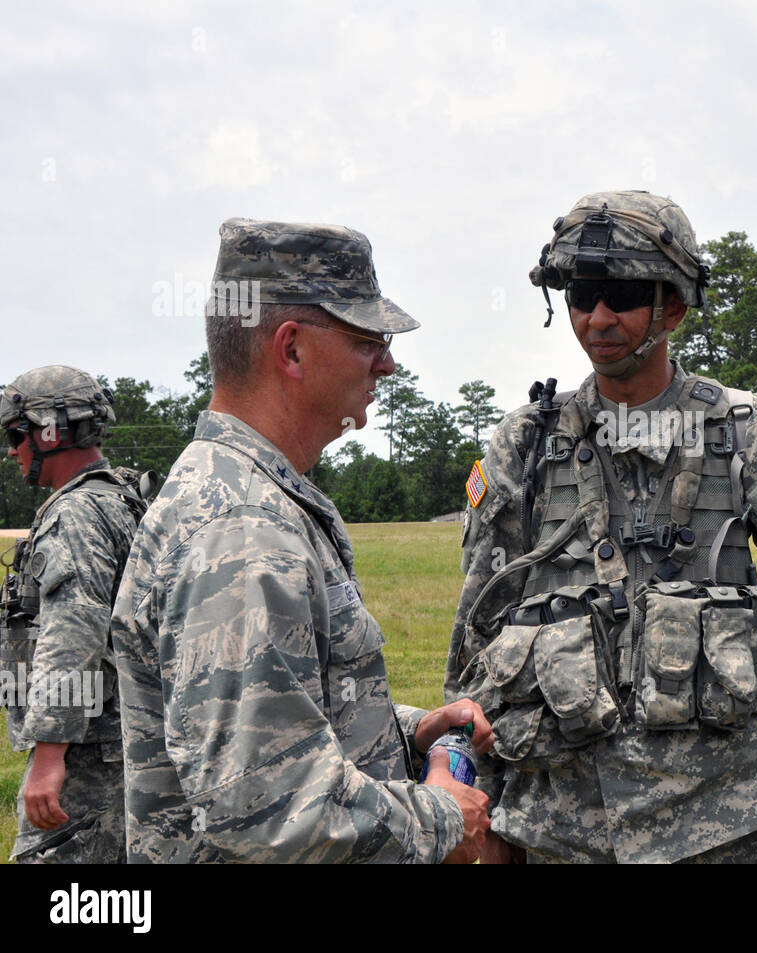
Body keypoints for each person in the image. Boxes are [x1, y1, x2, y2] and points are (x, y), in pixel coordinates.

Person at [445, 190, 757, 863]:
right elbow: (477, 638)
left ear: (672, 304)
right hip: (553, 829)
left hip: (714, 828)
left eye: (622, 292)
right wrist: (485, 814)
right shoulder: (524, 446)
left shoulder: (749, 435)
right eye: (582, 293)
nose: (598, 315)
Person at [110, 218, 490, 863]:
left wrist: (408, 731)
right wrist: (444, 819)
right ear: (291, 349)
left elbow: (273, 716)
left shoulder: (251, 498)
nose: (387, 362)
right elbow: (266, 807)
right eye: (368, 338)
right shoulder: (241, 530)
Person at [0, 366, 150, 863]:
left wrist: (48, 757)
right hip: (126, 741)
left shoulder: (77, 514)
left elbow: (75, 632)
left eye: (17, 435)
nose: (12, 450)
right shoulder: (121, 498)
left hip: (90, 753)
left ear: (51, 431)